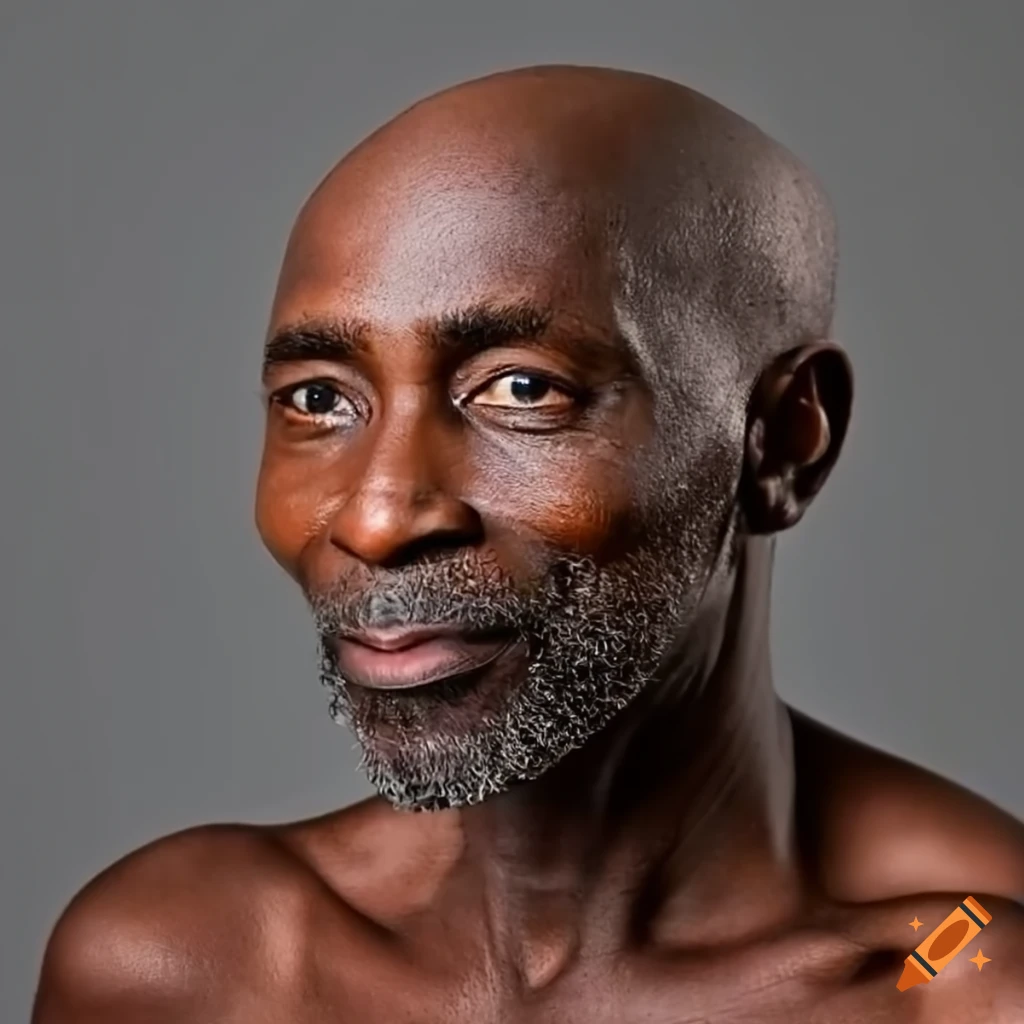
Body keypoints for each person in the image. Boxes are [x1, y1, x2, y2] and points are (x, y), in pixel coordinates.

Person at [32, 65, 1024, 1023]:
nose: (376, 517)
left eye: (521, 389)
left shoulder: (958, 976)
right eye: (319, 398)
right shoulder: (188, 972)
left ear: (782, 443)